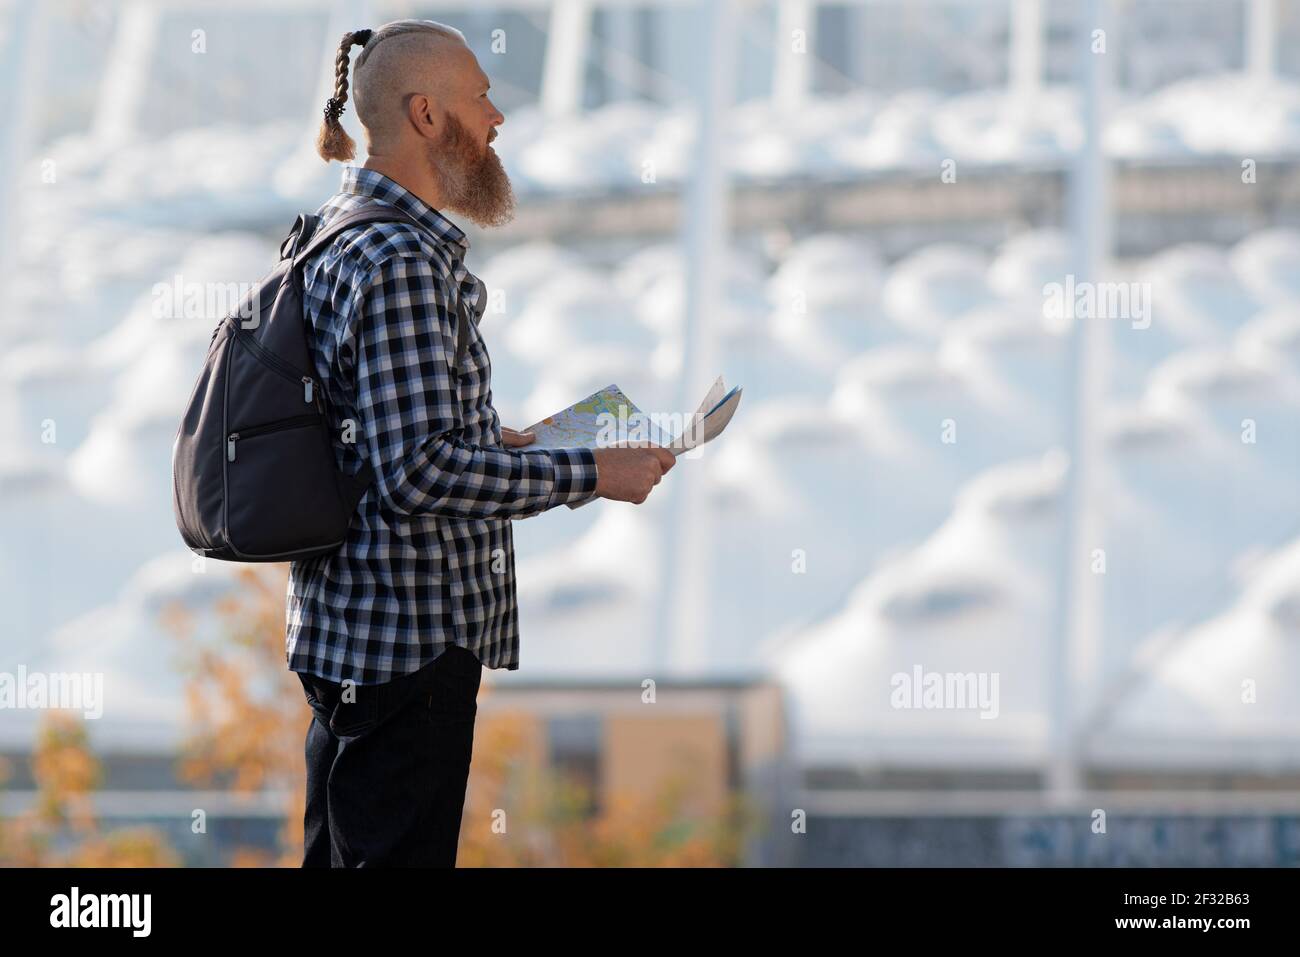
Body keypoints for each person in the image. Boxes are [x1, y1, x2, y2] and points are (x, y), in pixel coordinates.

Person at [287, 19, 676, 867]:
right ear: (427, 115)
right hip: (405, 647)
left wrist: (498, 441)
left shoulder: (339, 230)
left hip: (350, 633)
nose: (498, 118)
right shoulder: (401, 262)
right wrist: (591, 472)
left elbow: (378, 436)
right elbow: (419, 472)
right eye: (481, 96)